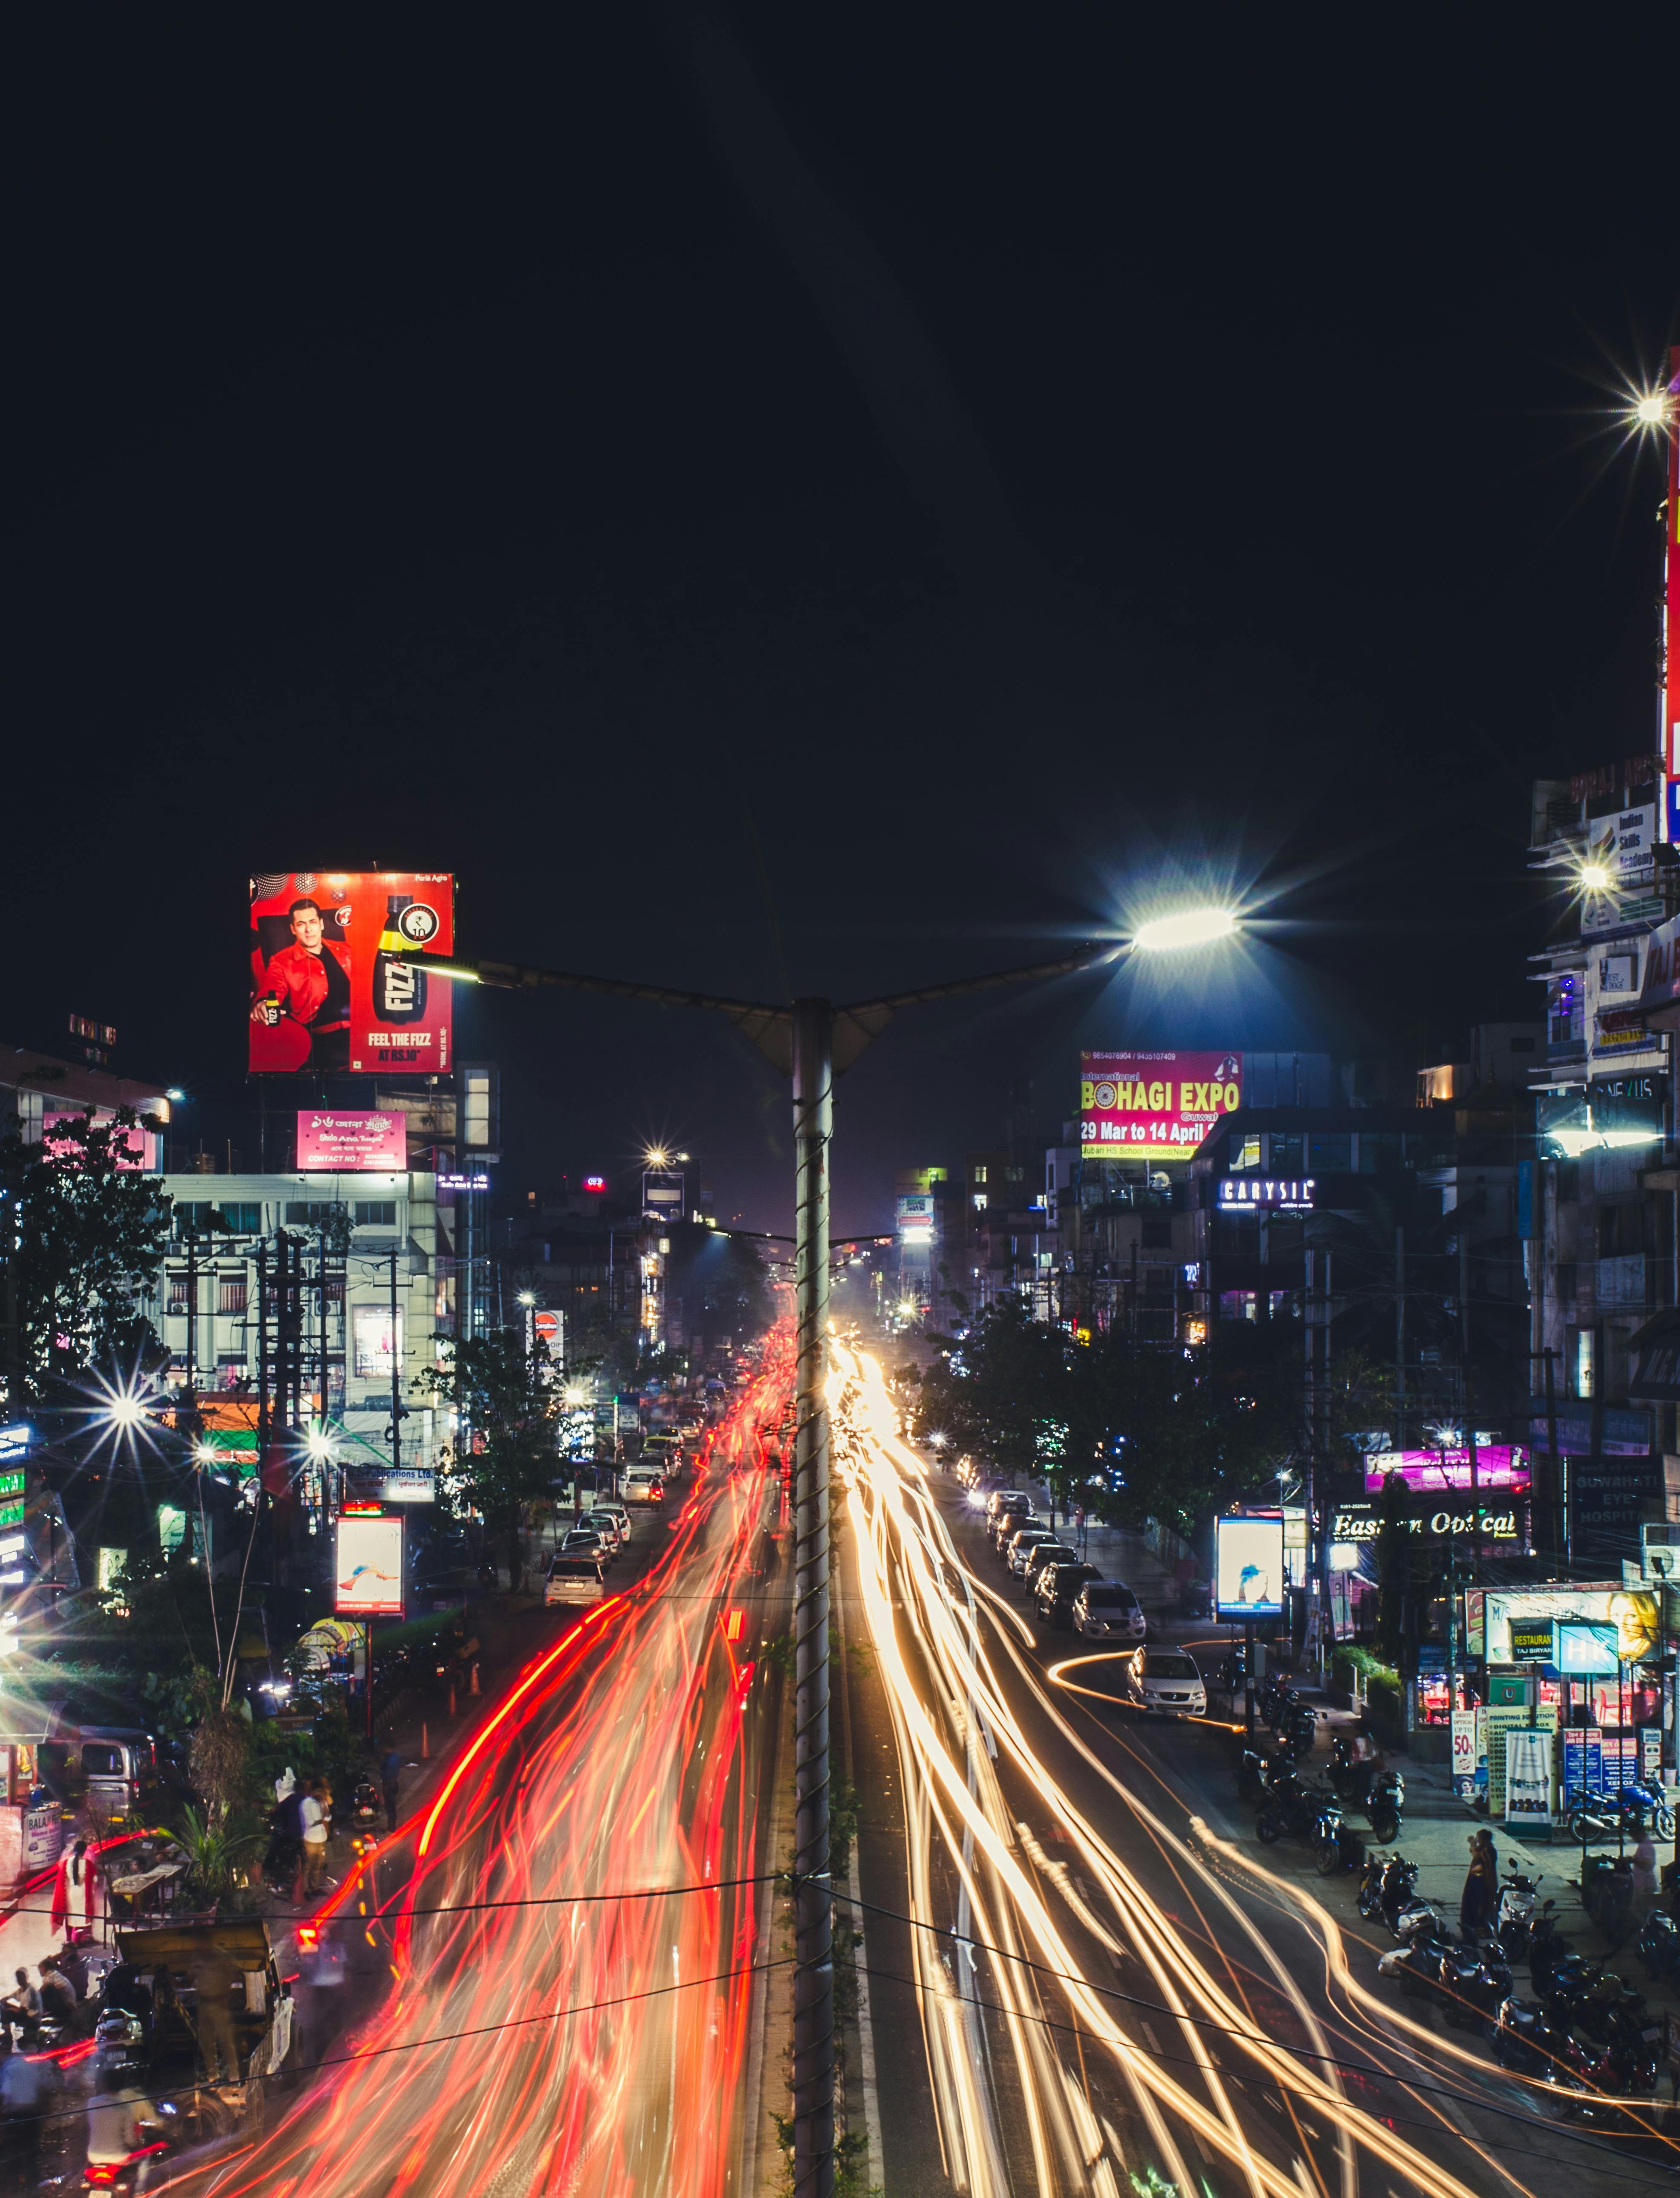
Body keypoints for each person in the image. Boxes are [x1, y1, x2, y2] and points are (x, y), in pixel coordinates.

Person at [251, 897, 352, 1073]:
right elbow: (273, 989)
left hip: (358, 1034)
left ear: (321, 924)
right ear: (293, 929)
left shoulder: (347, 950)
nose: (308, 930)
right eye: (301, 924)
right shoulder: (281, 961)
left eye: (312, 922)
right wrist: (264, 1003)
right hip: (320, 1041)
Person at [0, 2036, 58, 2193]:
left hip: (13, 2118)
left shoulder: (10, 2066)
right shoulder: (34, 2066)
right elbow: (47, 2088)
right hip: (32, 2118)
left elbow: (6, 2093)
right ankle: (32, 2191)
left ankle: (12, 2192)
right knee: (31, 2158)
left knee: (12, 2161)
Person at [192, 1947, 240, 2085]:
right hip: (204, 2004)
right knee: (207, 2043)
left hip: (219, 2004)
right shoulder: (198, 1958)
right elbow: (190, 1976)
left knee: (226, 2042)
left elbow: (233, 1972)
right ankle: (213, 2075)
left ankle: (234, 2076)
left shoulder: (221, 1956)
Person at [1460, 1828, 1498, 1940]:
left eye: (1479, 1839)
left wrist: (1472, 1844)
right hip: (1475, 1881)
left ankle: (1482, 1929)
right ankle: (1472, 1928)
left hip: (1484, 1882)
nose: (1478, 1841)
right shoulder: (1483, 1848)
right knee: (1471, 1904)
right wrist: (1473, 1845)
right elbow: (1474, 1852)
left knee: (1481, 1905)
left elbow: (1477, 1855)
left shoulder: (1489, 1850)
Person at [299, 1779, 330, 1896]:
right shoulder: (307, 1803)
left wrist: (324, 1807)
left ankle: (315, 1888)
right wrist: (322, 1819)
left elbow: (327, 1819)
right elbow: (311, 1822)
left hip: (321, 1837)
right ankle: (305, 1890)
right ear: (313, 1792)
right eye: (318, 1792)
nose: (321, 1794)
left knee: (318, 1865)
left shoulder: (323, 1803)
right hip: (310, 1838)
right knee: (308, 1865)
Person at [0, 1972, 40, 2053]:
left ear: (25, 1978)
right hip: (25, 2012)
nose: (19, 1981)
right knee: (4, 2006)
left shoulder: (30, 1990)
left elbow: (24, 2010)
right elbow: (12, 1996)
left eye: (21, 1979)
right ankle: (6, 2032)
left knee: (7, 2013)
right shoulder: (22, 1989)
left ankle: (8, 2038)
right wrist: (5, 2000)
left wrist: (12, 2009)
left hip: (31, 2017)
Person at [381, 1748, 402, 1833]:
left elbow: (386, 1773)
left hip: (389, 1785)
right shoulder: (396, 1757)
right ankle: (392, 1826)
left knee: (390, 1807)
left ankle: (391, 1827)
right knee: (392, 1806)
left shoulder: (388, 1759)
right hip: (394, 1784)